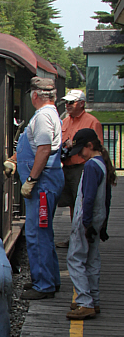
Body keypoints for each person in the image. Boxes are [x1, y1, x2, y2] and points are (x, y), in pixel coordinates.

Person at [14, 76, 65, 300]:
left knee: (38, 233)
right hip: (45, 181)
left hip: (42, 184)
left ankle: (44, 285)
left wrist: (32, 180)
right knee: (44, 232)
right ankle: (50, 279)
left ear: (35, 95)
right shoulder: (50, 114)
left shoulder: (43, 117)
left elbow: (43, 150)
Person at [65, 128, 116, 320]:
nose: (79, 154)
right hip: (98, 218)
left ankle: (84, 301)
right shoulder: (103, 164)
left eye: (81, 149)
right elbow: (107, 198)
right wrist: (103, 224)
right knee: (93, 259)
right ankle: (94, 299)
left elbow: (88, 197)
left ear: (90, 146)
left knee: (76, 258)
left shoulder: (90, 167)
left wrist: (86, 224)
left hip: (86, 219)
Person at [56, 90, 103, 247]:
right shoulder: (65, 121)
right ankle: (75, 236)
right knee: (72, 204)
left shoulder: (92, 122)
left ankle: (84, 236)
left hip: (82, 167)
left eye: (71, 102)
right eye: (66, 102)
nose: (67, 105)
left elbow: (97, 148)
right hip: (67, 167)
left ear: (82, 103)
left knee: (83, 202)